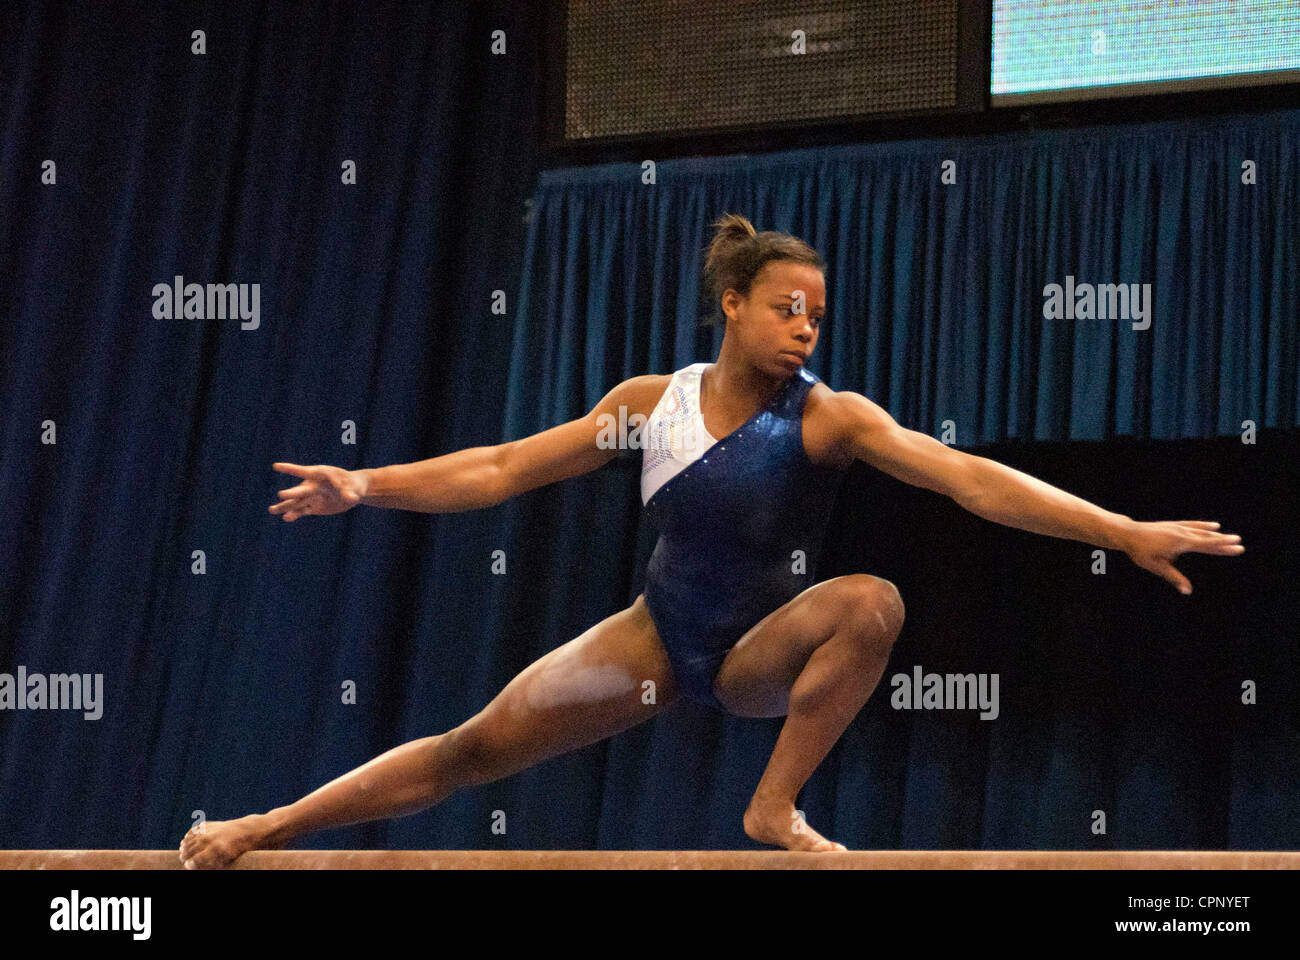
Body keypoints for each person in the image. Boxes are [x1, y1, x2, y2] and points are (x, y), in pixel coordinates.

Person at [179, 213, 1244, 866]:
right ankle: (257, 829)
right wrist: (362, 483)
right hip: (652, 642)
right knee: (468, 752)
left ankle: (771, 805)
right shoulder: (651, 403)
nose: (804, 330)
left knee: (870, 603)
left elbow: (966, 478)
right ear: (731, 305)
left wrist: (1120, 528)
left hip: (752, 655)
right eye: (786, 309)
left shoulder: (830, 418)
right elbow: (504, 468)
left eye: (816, 318)